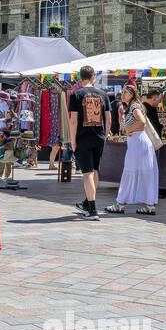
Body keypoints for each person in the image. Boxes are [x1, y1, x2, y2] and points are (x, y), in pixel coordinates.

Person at [105, 83, 159, 216]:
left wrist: (129, 129)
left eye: (126, 93)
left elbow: (142, 123)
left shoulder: (135, 106)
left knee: (130, 171)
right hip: (138, 143)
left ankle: (120, 204)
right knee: (143, 173)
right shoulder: (130, 107)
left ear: (132, 95)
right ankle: (149, 205)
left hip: (138, 143)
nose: (123, 95)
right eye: (122, 92)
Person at [68, 65, 111, 220]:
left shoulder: (76, 95)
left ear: (81, 78)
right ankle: (87, 202)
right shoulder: (103, 94)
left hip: (83, 137)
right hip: (98, 137)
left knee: (87, 174)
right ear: (93, 77)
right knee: (94, 171)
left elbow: (73, 121)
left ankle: (92, 209)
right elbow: (108, 119)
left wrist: (72, 141)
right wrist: (104, 136)